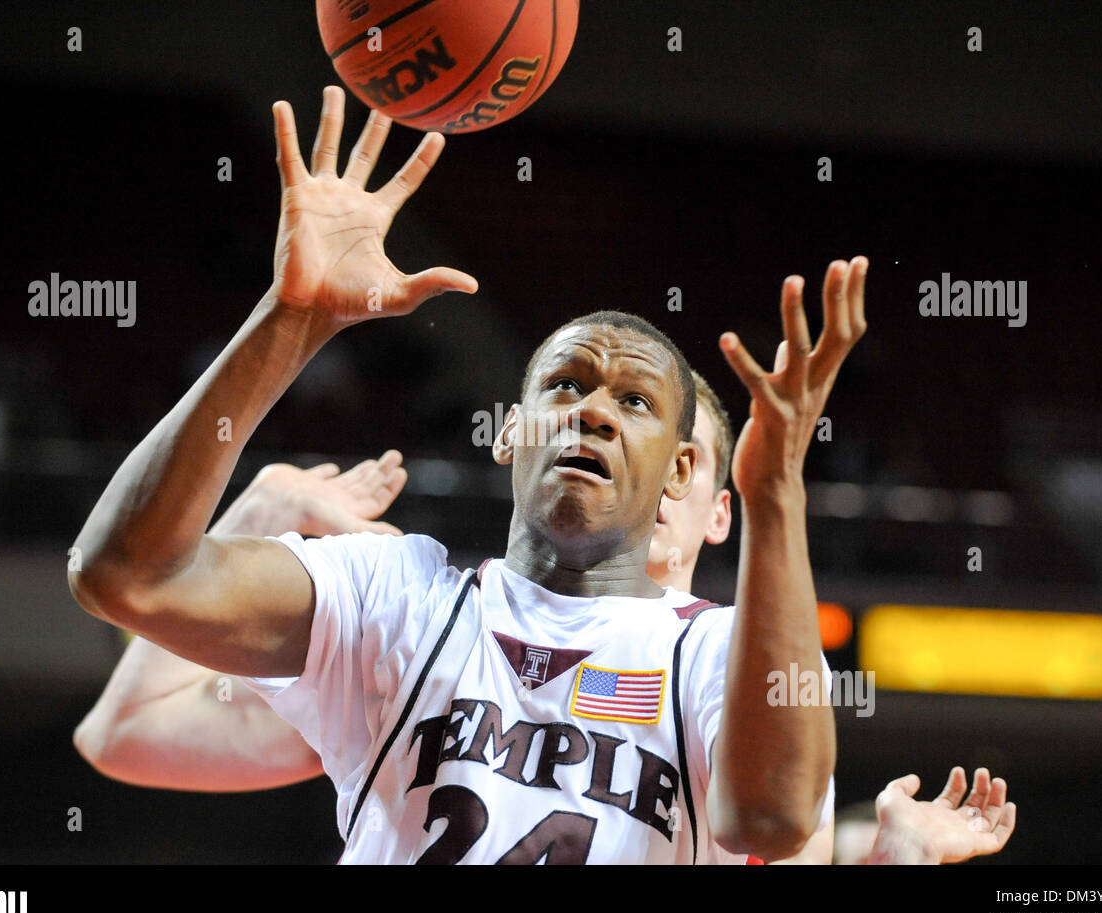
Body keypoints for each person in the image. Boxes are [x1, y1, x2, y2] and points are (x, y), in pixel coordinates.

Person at [68, 85, 865, 862]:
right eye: (565, 384)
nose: (592, 411)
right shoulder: (394, 596)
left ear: (681, 470)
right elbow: (125, 579)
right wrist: (289, 321)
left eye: (634, 400)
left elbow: (774, 822)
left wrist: (778, 493)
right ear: (511, 434)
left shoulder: (722, 653)